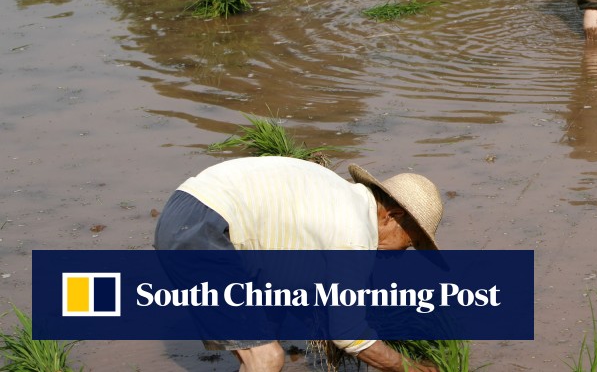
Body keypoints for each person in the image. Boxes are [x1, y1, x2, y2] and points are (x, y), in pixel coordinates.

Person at [154, 156, 444, 372]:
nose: (406, 249)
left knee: (260, 345)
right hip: (203, 228)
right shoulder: (353, 234)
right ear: (391, 215)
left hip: (186, 211)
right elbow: (348, 334)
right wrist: (410, 368)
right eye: (412, 240)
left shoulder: (339, 195)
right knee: (267, 358)